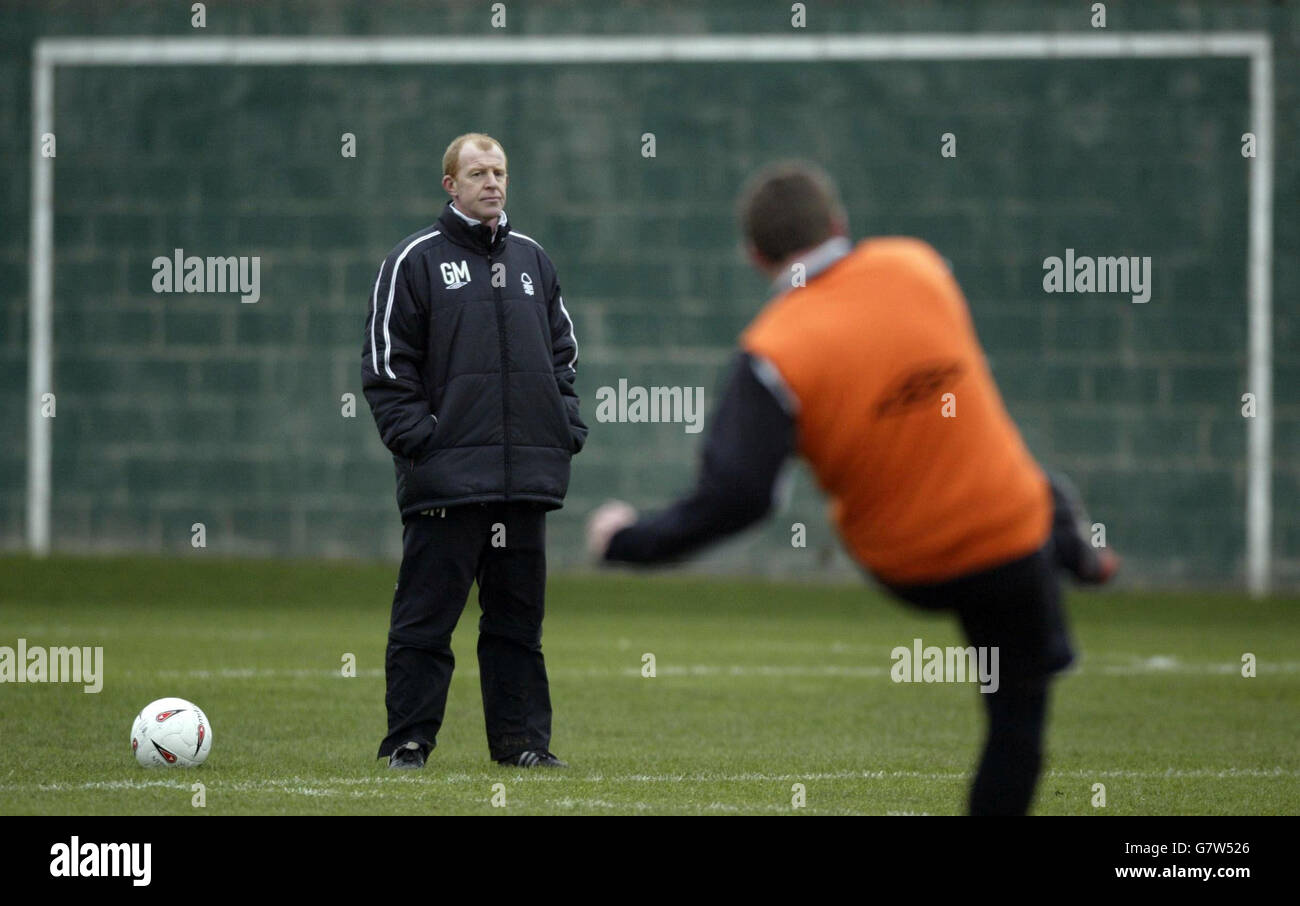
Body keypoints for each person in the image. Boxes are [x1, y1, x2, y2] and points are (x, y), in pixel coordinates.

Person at [586, 162, 1117, 815]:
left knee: (1039, 493)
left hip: (908, 561)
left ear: (756, 257)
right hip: (1007, 535)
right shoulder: (921, 265)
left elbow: (738, 497)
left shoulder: (770, 352)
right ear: (838, 224)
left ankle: (1066, 567)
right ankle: (1074, 569)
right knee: (1017, 717)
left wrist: (625, 540)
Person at [363, 132, 587, 770]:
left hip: (523, 483)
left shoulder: (533, 261)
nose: (493, 182)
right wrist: (421, 440)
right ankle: (408, 742)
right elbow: (386, 365)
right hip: (449, 479)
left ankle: (523, 745)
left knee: (518, 627)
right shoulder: (414, 261)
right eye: (479, 173)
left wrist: (563, 427)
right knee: (425, 624)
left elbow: (563, 356)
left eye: (500, 172)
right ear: (450, 185)